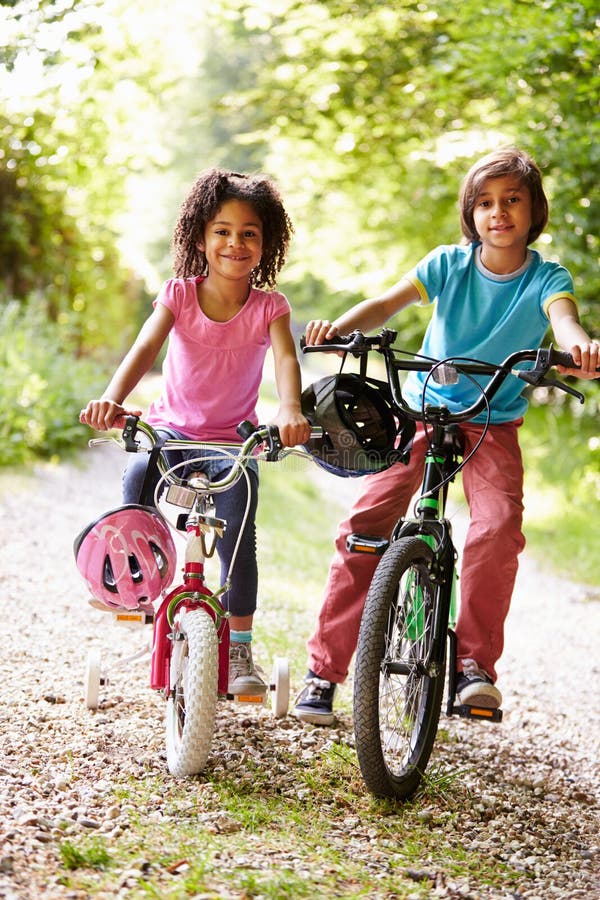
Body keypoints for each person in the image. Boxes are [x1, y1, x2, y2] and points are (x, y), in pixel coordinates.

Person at [295, 146, 600, 724]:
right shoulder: (448, 265)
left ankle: (473, 666)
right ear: (470, 213)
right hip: (423, 411)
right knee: (365, 526)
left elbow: (563, 318)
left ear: (534, 210)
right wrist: (338, 330)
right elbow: (386, 302)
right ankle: (323, 671)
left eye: (512, 200)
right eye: (484, 202)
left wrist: (577, 343)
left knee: (498, 525)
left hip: (491, 421)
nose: (498, 212)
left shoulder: (545, 276)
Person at [80, 168, 311, 695]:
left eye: (249, 233)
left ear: (266, 243)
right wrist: (113, 401)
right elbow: (144, 349)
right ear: (201, 239)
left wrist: (291, 409)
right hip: (171, 436)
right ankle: (132, 586)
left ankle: (240, 650)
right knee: (136, 482)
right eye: (222, 231)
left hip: (233, 444)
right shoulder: (179, 295)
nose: (235, 242)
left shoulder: (270, 306)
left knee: (240, 536)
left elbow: (283, 358)